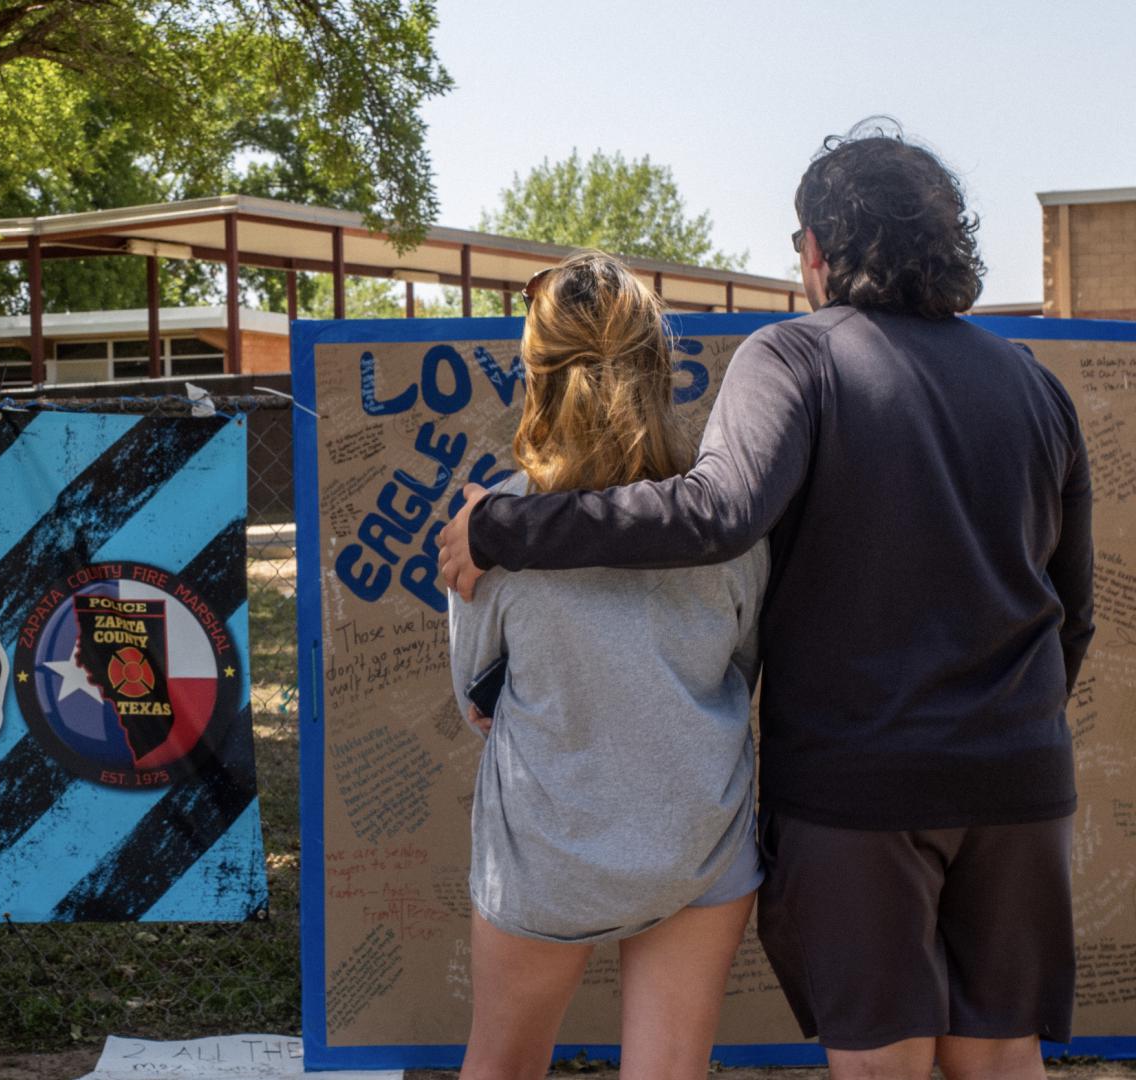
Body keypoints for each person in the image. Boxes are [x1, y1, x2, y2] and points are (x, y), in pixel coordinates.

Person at [439, 121, 1094, 1080]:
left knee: (885, 1063)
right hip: (1022, 779)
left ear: (821, 250)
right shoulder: (1037, 389)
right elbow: (1071, 611)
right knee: (1001, 1058)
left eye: (798, 244)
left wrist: (506, 528)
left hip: (858, 789)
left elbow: (716, 512)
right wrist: (1008, 724)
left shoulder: (794, 357)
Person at [448, 250, 768, 1080]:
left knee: (502, 1065)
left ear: (536, 374)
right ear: (661, 369)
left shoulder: (491, 527)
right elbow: (743, 664)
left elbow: (475, 698)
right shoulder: (730, 530)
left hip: (548, 844)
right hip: (698, 836)